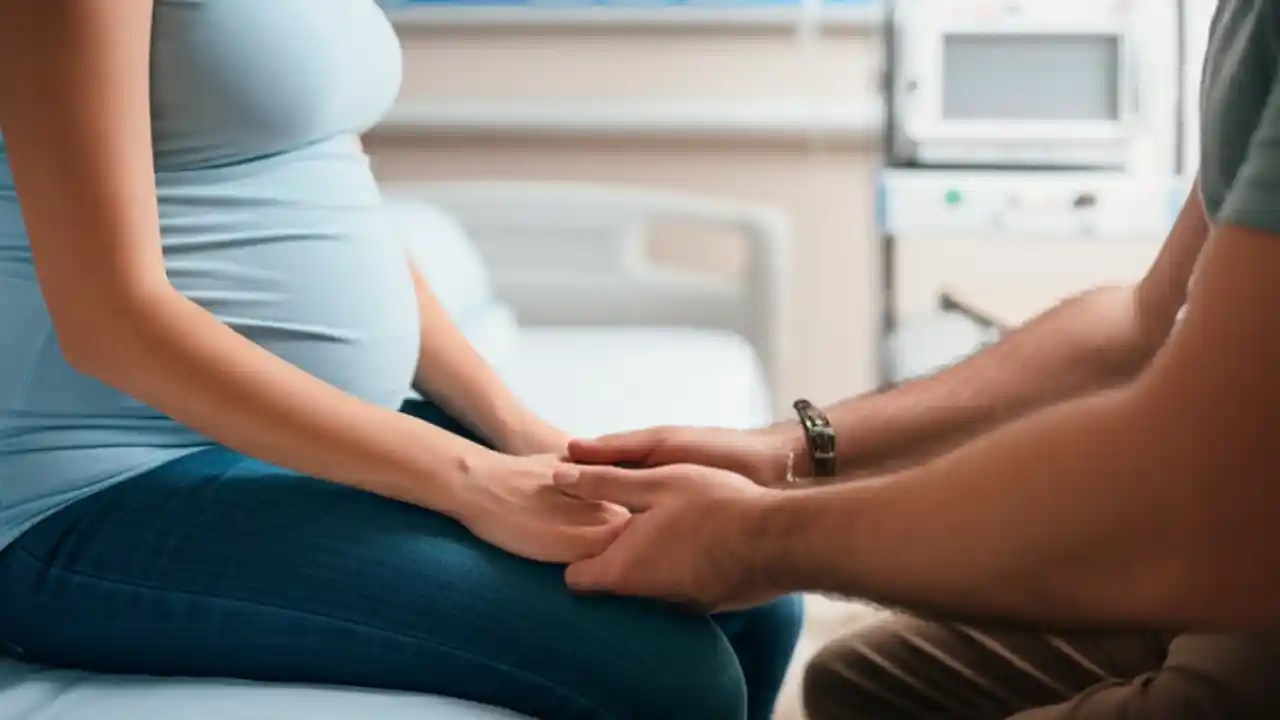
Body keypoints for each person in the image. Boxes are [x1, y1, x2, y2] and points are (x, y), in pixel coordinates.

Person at [0, 3, 801, 719]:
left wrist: (517, 431)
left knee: (750, 588)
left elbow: (335, 195)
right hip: (93, 479)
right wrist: (469, 479)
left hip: (284, 447)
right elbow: (112, 320)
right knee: (670, 677)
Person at [556, 1, 1280, 717]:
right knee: (854, 683)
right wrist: (785, 453)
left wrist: (757, 539)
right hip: (1220, 546)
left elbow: (1195, 487)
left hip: (1238, 556)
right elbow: (1140, 326)